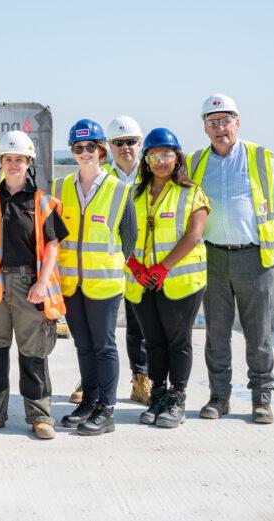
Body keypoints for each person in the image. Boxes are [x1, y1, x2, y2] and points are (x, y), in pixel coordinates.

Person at [0, 130, 67, 440]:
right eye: (8, 159)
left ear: (29, 162)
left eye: (19, 159)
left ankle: (40, 416)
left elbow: (54, 245)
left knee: (33, 353)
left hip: (28, 284)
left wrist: (42, 282)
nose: (14, 164)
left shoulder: (41, 201)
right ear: (0, 162)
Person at [189, 94, 274, 424]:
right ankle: (219, 398)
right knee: (216, 334)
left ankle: (262, 399)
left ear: (238, 122)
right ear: (204, 128)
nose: (220, 128)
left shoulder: (260, 157)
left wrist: (259, 235)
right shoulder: (196, 162)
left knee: (257, 334)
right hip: (213, 257)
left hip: (252, 258)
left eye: (225, 120)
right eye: (212, 122)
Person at [51, 119, 136, 436]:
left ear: (102, 151)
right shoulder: (60, 189)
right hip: (72, 283)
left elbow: (129, 236)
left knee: (104, 346)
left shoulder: (118, 189)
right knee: (83, 346)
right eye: (78, 148)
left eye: (91, 147)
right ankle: (89, 400)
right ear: (73, 152)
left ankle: (107, 409)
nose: (85, 153)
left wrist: (111, 265)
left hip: (104, 285)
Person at [125, 128, 209, 428]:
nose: (161, 161)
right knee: (153, 341)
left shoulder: (191, 192)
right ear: (146, 160)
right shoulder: (134, 194)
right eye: (154, 156)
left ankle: (177, 399)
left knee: (178, 341)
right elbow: (120, 234)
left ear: (177, 158)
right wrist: (135, 266)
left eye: (167, 155)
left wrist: (163, 268)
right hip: (142, 280)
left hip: (179, 282)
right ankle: (158, 394)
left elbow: (194, 235)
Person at [105, 115, 152, 406]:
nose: (125, 148)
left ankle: (140, 379)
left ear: (141, 143)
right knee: (101, 327)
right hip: (107, 263)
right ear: (109, 146)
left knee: (139, 326)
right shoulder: (100, 177)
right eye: (118, 142)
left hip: (142, 263)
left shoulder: (151, 176)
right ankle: (92, 379)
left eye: (131, 141)